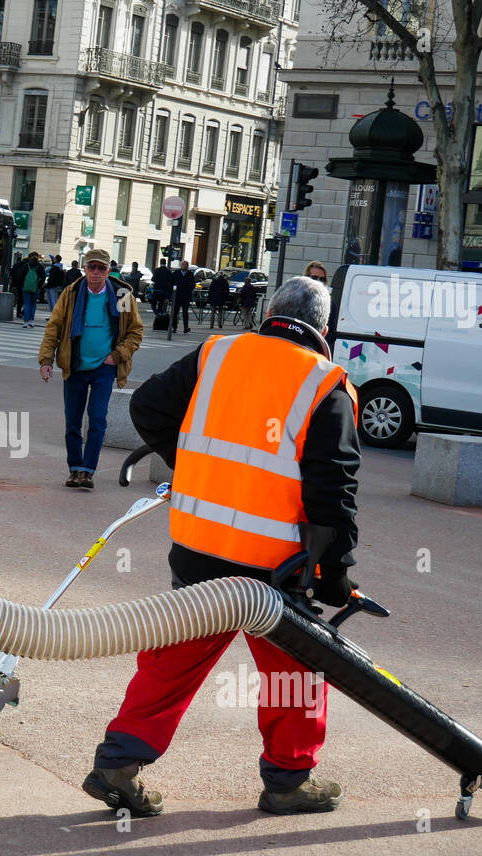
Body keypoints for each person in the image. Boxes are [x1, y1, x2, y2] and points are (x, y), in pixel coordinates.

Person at [81, 276, 360, 819]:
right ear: (324, 329)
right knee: (294, 675)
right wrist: (335, 576)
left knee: (172, 662)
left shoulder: (218, 351)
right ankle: (287, 783)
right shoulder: (327, 384)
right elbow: (333, 494)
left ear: (271, 310)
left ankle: (117, 766)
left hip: (199, 548)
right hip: (276, 570)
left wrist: (190, 468)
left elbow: (149, 408)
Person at [38, 247, 144, 490]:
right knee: (72, 422)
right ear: (84, 269)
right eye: (91, 267)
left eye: (101, 268)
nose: (95, 272)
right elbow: (54, 327)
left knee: (97, 419)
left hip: (104, 368)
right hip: (75, 365)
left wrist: (117, 355)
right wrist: (46, 360)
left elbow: (135, 332)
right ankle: (75, 468)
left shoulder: (121, 295)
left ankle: (87, 471)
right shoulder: (72, 292)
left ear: (109, 270)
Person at [21, 252, 45, 328]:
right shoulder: (40, 267)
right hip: (36, 288)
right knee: (33, 304)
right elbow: (43, 277)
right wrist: (39, 285)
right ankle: (31, 320)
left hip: (26, 287)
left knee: (26, 304)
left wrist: (23, 284)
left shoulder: (26, 266)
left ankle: (25, 322)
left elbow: (21, 276)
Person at [171, 261, 195, 332]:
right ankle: (174, 327)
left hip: (186, 296)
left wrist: (189, 290)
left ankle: (185, 327)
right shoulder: (176, 273)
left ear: (187, 266)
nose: (184, 266)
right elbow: (171, 283)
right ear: (181, 266)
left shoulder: (190, 274)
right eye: (183, 265)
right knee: (175, 312)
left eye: (185, 265)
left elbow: (193, 284)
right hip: (177, 295)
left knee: (185, 312)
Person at [150, 258, 173, 329]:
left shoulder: (157, 270)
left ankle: (157, 314)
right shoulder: (168, 271)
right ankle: (159, 314)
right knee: (160, 306)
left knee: (153, 304)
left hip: (156, 290)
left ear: (160, 262)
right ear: (165, 263)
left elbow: (152, 279)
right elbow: (170, 283)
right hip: (164, 291)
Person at [10, 253, 28, 319]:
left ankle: (18, 312)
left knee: (18, 298)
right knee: (23, 299)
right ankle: (22, 312)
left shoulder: (17, 264)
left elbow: (12, 272)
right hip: (23, 284)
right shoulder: (27, 265)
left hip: (16, 283)